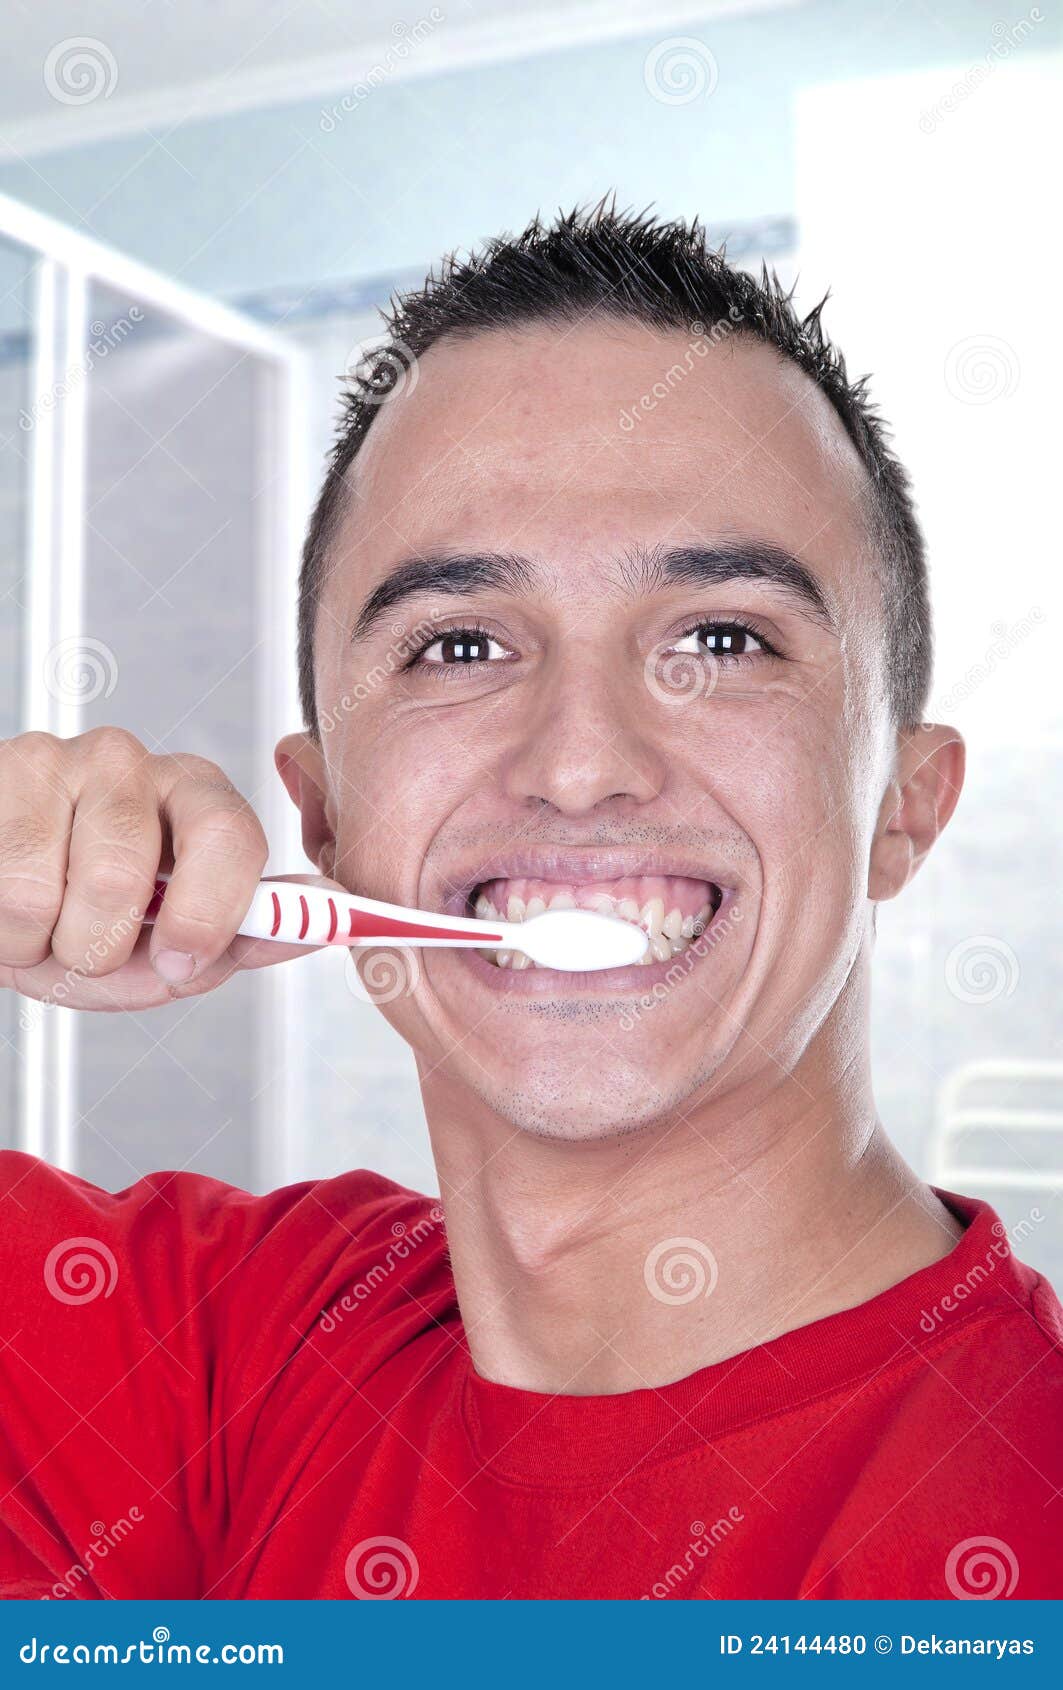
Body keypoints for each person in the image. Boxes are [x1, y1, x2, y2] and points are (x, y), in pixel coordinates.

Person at [0, 204, 1059, 1601]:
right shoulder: (200, 1365)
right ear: (321, 817)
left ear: (906, 804)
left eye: (723, 636)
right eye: (461, 642)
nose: (578, 764)